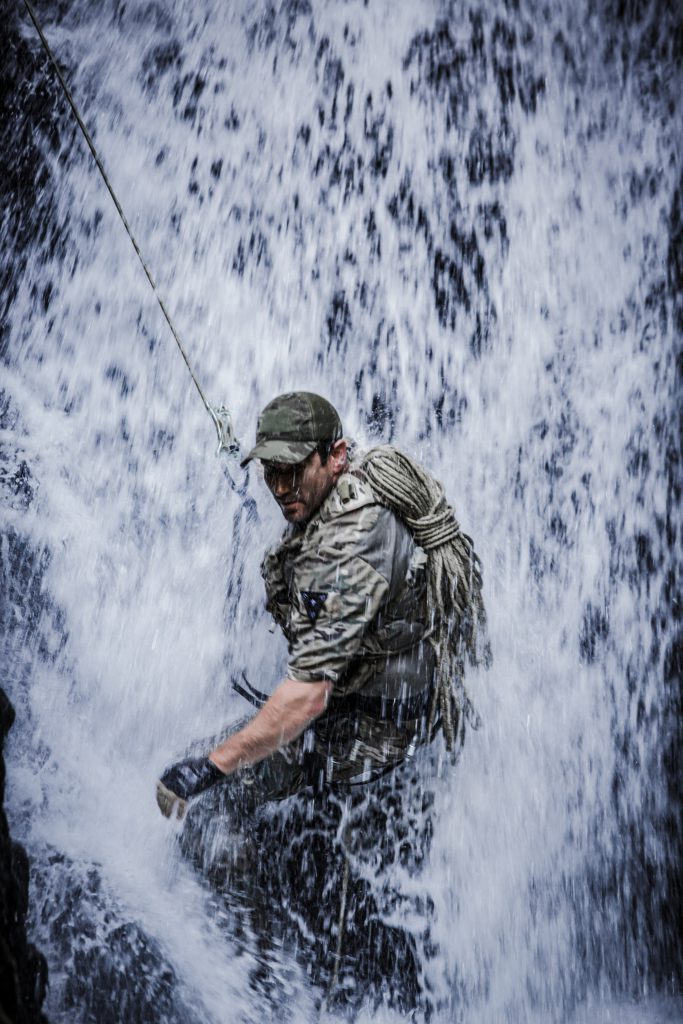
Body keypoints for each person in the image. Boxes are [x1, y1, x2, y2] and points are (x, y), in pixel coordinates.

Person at [156, 391, 483, 820]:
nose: (279, 489)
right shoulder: (355, 480)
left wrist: (210, 768)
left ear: (338, 455)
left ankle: (241, 884)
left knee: (213, 797)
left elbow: (309, 696)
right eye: (270, 473)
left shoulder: (353, 542)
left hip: (377, 726)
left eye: (292, 473)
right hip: (372, 686)